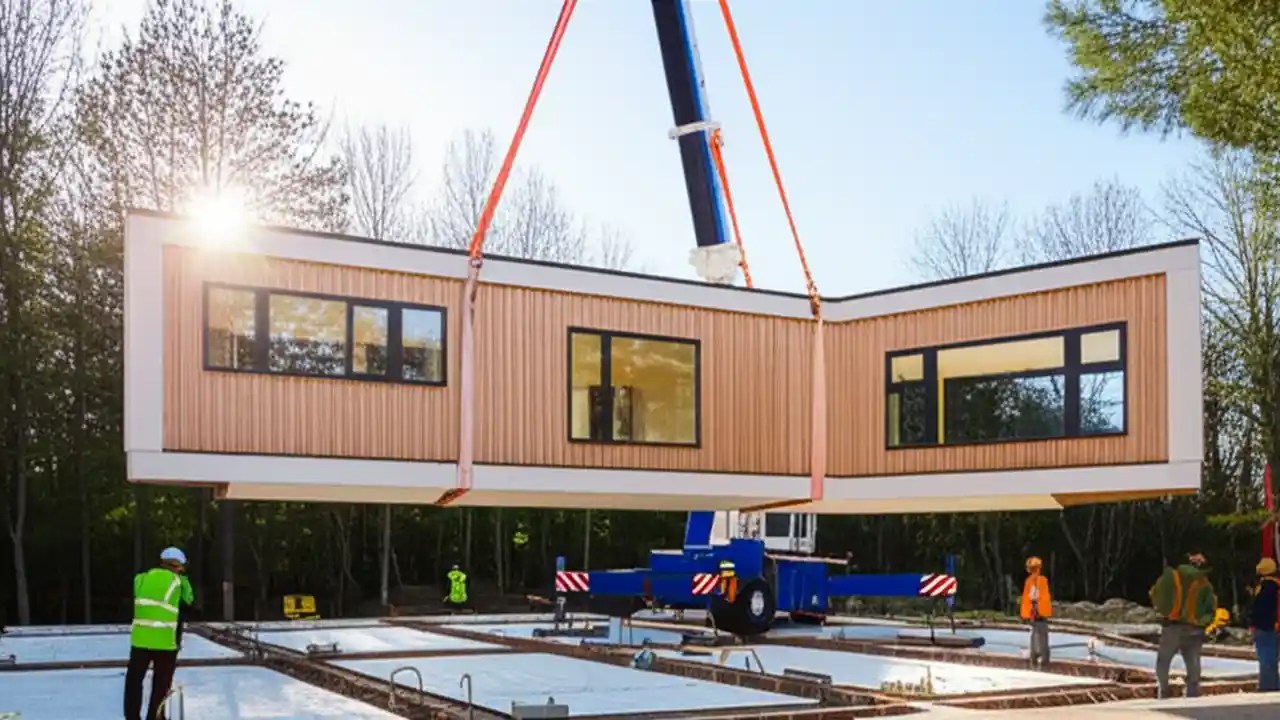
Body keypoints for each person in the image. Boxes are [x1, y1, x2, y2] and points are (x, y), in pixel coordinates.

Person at [124, 547, 195, 720]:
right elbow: (189, 599)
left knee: (134, 682)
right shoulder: (179, 582)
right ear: (178, 566)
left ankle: (132, 717)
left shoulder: (140, 578)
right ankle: (155, 717)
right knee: (160, 684)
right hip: (165, 641)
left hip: (140, 639)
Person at [1149, 552, 1217, 699]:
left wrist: (1162, 611)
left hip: (1172, 625)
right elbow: (1211, 608)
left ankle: (1164, 690)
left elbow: (1155, 594)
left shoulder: (1171, 577)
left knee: (1164, 660)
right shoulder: (1205, 584)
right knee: (1193, 660)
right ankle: (1192, 691)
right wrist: (1204, 623)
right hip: (1195, 627)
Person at [1251, 557, 1279, 692]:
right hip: (1273, 626)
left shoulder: (1265, 587)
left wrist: (1253, 623)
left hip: (1264, 627)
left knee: (1265, 657)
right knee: (1272, 657)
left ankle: (1267, 686)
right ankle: (1273, 683)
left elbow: (1260, 609)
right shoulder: (1276, 585)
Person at [1020, 556, 1052, 668]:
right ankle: (1038, 659)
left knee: (1036, 635)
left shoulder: (1035, 581)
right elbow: (1032, 598)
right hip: (1037, 615)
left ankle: (1037, 659)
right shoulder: (1036, 581)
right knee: (1039, 636)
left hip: (1037, 615)